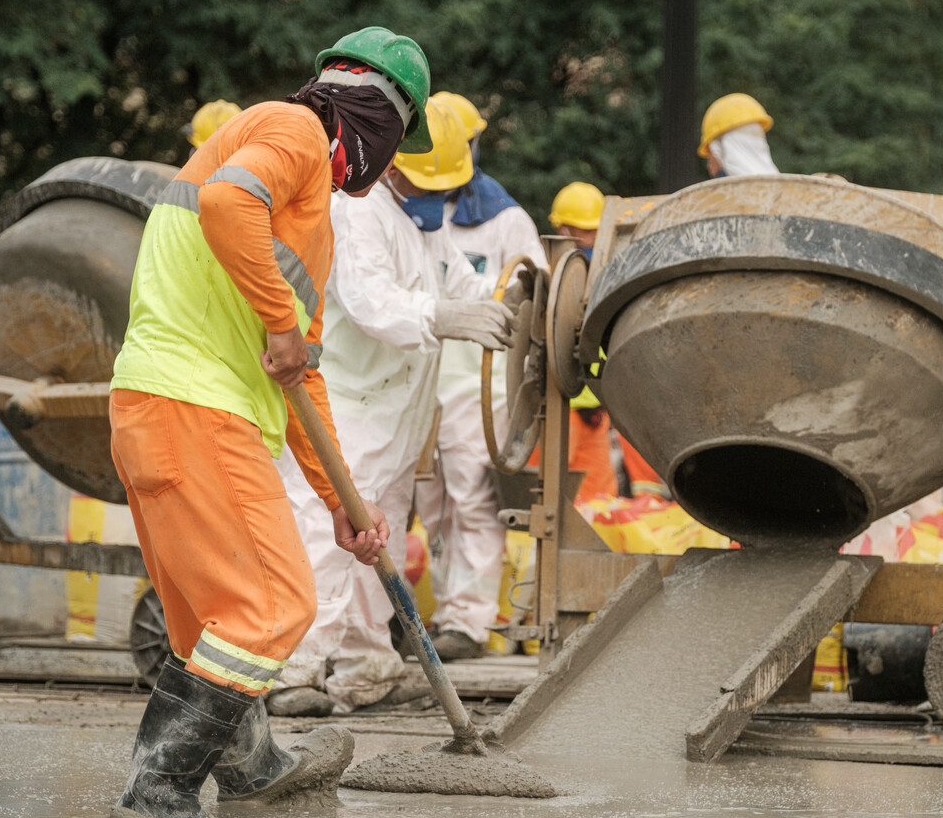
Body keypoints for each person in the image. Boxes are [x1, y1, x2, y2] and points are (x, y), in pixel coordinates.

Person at [106, 27, 427, 818]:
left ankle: (250, 764)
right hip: (198, 411)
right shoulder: (295, 133)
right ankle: (158, 790)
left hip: (154, 411)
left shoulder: (300, 212)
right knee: (276, 605)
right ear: (379, 123)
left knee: (210, 624)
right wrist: (283, 322)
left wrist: (344, 504)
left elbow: (302, 373)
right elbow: (227, 202)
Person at [267, 98, 514, 717]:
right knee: (324, 535)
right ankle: (292, 668)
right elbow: (367, 300)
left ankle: (366, 663)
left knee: (380, 540)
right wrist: (443, 317)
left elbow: (462, 284)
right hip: (347, 403)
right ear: (390, 165)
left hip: (397, 410)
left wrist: (507, 304)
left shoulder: (422, 223)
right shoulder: (355, 210)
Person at [414, 91, 546, 662]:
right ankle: (443, 613)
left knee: (472, 499)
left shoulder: (504, 218)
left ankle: (466, 622)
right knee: (431, 505)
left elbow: (537, 298)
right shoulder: (415, 210)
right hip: (421, 383)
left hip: (482, 386)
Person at [544, 182, 664, 500]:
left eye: (598, 231)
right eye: (586, 232)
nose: (594, 240)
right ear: (562, 228)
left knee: (600, 501)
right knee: (548, 495)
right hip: (556, 409)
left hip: (594, 409)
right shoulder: (548, 283)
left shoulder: (609, 277)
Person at [699, 93, 777, 178]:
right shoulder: (787, 188)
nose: (709, 166)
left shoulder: (707, 191)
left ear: (717, 150)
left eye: (710, 154)